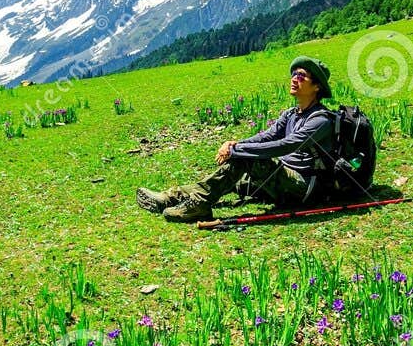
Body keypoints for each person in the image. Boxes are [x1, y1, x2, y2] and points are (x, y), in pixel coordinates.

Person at [137, 56, 336, 223]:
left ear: (317, 86)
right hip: (281, 178)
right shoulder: (292, 113)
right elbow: (266, 136)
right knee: (230, 179)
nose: (294, 79)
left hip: (302, 187)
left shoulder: (320, 119)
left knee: (245, 158)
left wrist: (237, 151)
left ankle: (199, 205)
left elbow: (286, 145)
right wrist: (234, 144)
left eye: (301, 76)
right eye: (293, 74)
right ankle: (169, 197)